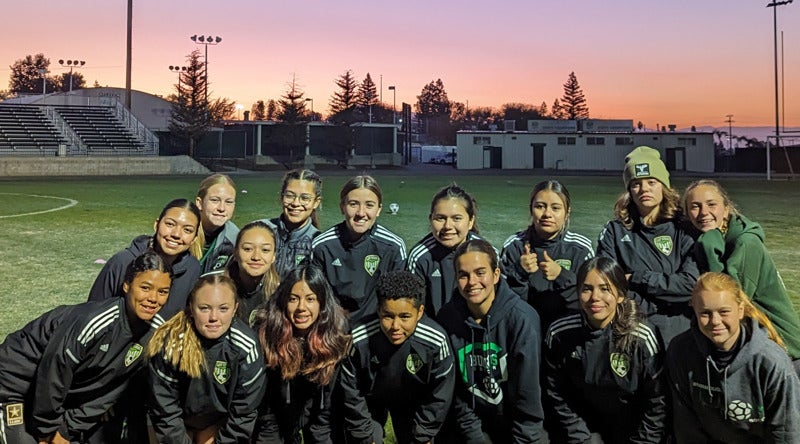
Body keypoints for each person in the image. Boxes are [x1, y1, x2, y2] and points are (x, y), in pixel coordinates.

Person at [0, 252, 172, 444]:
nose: (153, 298)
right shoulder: (95, 322)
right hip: (16, 386)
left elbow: (111, 388)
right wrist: (47, 431)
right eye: (145, 288)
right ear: (126, 285)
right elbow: (53, 373)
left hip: (58, 397)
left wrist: (66, 430)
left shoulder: (156, 331)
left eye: (163, 292)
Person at [666, 272, 800, 442]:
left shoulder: (771, 361)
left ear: (740, 310)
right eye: (705, 313)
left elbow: (785, 432)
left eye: (724, 312)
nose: (715, 321)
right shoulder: (681, 350)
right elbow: (686, 424)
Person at [544, 257, 666, 443]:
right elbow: (558, 393)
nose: (595, 297)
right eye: (587, 289)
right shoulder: (560, 333)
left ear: (620, 295)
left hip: (635, 431)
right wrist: (581, 438)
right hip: (584, 430)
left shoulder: (642, 337)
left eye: (605, 289)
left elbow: (658, 402)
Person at [683, 179, 800, 369]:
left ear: (726, 209)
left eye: (711, 204)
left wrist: (710, 245)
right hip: (758, 343)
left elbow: (729, 299)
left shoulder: (746, 243)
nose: (704, 212)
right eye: (695, 207)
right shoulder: (716, 237)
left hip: (784, 347)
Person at [437, 238, 545, 443]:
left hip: (517, 427)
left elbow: (528, 398)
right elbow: (457, 393)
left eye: (480, 273)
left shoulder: (522, 320)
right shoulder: (447, 318)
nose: (472, 282)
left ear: (496, 275)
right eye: (463, 275)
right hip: (468, 426)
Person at [146, 273, 266, 444]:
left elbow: (243, 412)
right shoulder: (171, 343)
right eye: (204, 308)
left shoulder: (246, 347)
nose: (213, 317)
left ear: (235, 309)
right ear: (191, 307)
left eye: (223, 309)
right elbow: (164, 407)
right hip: (175, 421)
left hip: (218, 422)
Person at [597, 146, 699, 345]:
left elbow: (690, 285)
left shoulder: (684, 229)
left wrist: (637, 278)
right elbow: (609, 285)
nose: (644, 189)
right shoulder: (615, 231)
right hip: (634, 328)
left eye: (652, 182)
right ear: (629, 190)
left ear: (663, 186)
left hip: (680, 332)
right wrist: (661, 300)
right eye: (636, 184)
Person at [339, 270, 455, 444]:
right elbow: (351, 390)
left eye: (405, 317)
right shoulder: (359, 338)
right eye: (387, 316)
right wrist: (364, 435)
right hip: (371, 400)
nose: (395, 326)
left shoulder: (435, 341)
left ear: (420, 312)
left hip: (414, 401)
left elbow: (440, 393)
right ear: (378, 310)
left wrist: (424, 433)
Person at [251, 264, 351, 444]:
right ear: (284, 301)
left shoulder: (336, 334)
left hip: (319, 414)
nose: (301, 307)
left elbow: (325, 409)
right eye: (293, 299)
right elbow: (267, 408)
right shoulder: (267, 334)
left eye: (310, 299)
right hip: (273, 416)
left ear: (322, 302)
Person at [501, 179, 595, 332]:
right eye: (540, 206)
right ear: (531, 209)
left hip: (568, 332)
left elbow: (590, 300)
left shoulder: (581, 248)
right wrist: (519, 272)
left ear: (567, 212)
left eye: (555, 208)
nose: (547, 214)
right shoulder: (514, 246)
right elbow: (503, 301)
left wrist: (561, 276)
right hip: (524, 331)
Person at [312, 175, 407, 324]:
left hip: (375, 328)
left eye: (369, 205)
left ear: (379, 209)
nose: (361, 213)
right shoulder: (323, 245)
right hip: (332, 326)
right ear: (342, 207)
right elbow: (314, 295)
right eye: (353, 204)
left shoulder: (393, 247)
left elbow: (398, 300)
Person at [88, 198, 202, 320]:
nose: (176, 234)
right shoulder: (123, 262)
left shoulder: (192, 269)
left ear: (194, 238)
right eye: (170, 224)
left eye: (187, 230)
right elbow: (91, 313)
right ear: (156, 225)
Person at [407, 183, 487, 319]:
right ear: (430, 219)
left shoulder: (486, 254)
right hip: (436, 330)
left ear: (470, 221)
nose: (447, 226)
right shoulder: (420, 257)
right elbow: (412, 308)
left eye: (457, 218)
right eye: (440, 218)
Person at [259, 168, 322, 279]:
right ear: (281, 197)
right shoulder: (260, 230)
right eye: (289, 196)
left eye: (305, 198)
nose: (296, 203)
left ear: (316, 202)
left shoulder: (318, 243)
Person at [224, 220, 280, 325]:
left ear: (273, 256)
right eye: (248, 249)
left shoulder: (279, 292)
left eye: (265, 250)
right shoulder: (214, 285)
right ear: (235, 252)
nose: (256, 257)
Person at [195, 174, 239, 274]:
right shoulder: (182, 231)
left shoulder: (234, 238)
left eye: (228, 202)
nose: (221, 208)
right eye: (215, 200)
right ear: (199, 203)